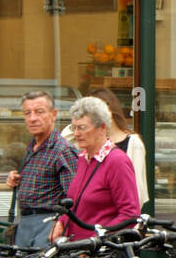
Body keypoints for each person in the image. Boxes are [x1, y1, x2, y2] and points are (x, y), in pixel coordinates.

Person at [50, 97, 141, 242]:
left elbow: (130, 214)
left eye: (82, 127)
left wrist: (97, 240)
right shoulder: (83, 158)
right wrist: (62, 221)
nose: (76, 133)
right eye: (74, 127)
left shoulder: (117, 161)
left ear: (102, 128)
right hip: (76, 250)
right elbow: (76, 203)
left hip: (99, 256)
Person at [5, 90, 77, 249]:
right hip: (25, 225)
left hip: (48, 225)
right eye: (27, 113)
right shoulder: (32, 146)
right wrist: (17, 180)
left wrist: (60, 224)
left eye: (39, 112)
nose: (32, 118)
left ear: (53, 114)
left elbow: (73, 198)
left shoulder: (62, 151)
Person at [89, 88, 149, 210]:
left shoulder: (133, 142)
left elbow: (137, 191)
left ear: (110, 110)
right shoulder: (93, 142)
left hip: (120, 216)